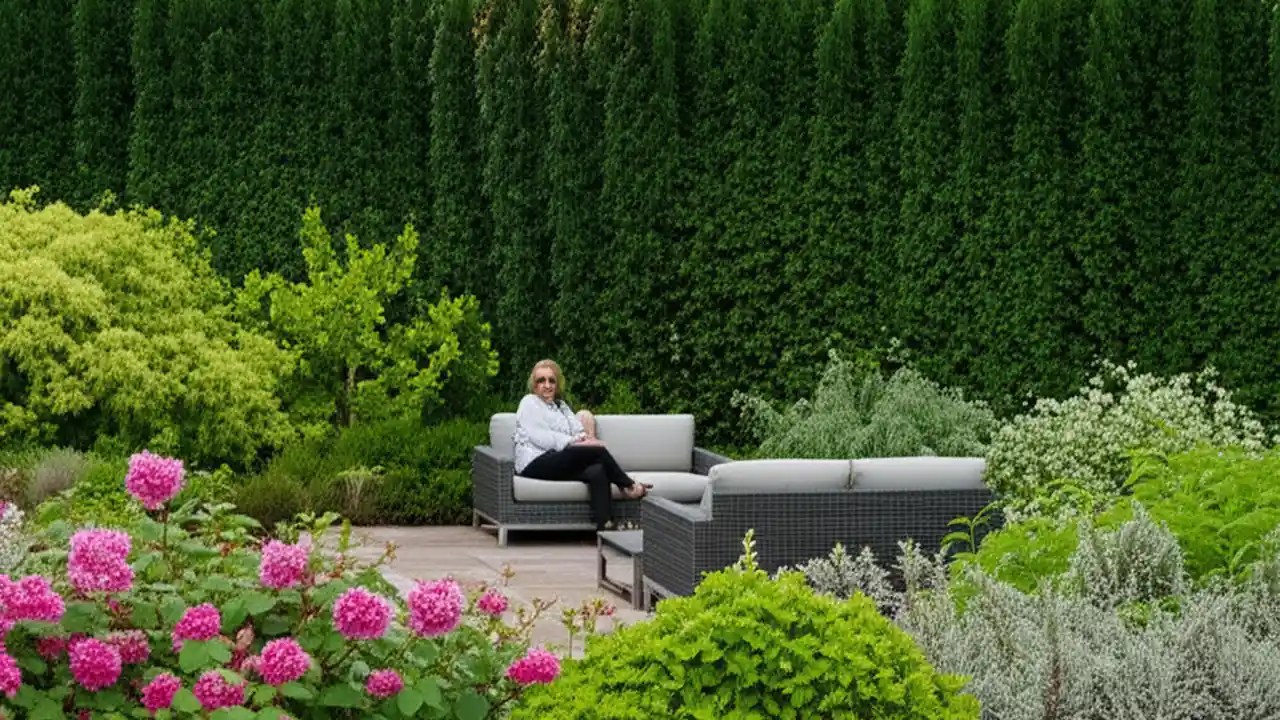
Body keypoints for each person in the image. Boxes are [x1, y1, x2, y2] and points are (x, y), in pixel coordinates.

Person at [514, 359, 650, 531]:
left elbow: (577, 430)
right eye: (541, 381)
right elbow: (541, 438)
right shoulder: (529, 403)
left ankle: (605, 527)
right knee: (596, 451)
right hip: (534, 461)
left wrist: (580, 439)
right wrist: (574, 442)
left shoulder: (561, 406)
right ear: (534, 386)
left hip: (557, 460)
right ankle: (629, 485)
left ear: (557, 384)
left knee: (598, 469)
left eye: (551, 380)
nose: (547, 385)